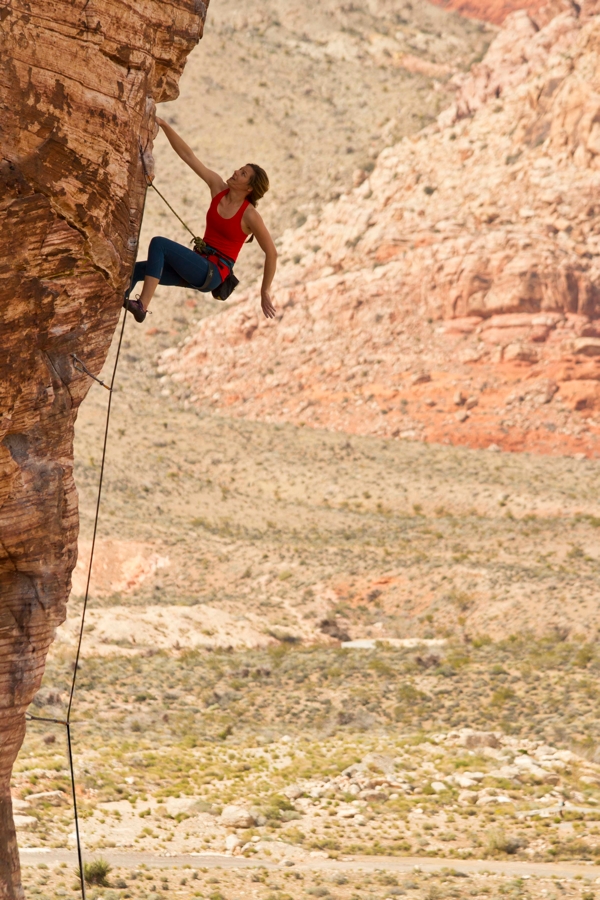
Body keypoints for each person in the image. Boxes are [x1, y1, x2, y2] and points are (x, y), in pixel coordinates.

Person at [124, 117, 277, 323]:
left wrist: (264, 291)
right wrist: (165, 125)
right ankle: (112, 307)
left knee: (159, 244)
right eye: (239, 169)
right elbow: (188, 156)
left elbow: (271, 253)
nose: (235, 172)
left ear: (249, 188)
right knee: (134, 272)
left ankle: (141, 305)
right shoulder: (218, 188)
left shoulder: (250, 215)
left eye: (242, 174)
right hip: (197, 265)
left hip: (213, 273)